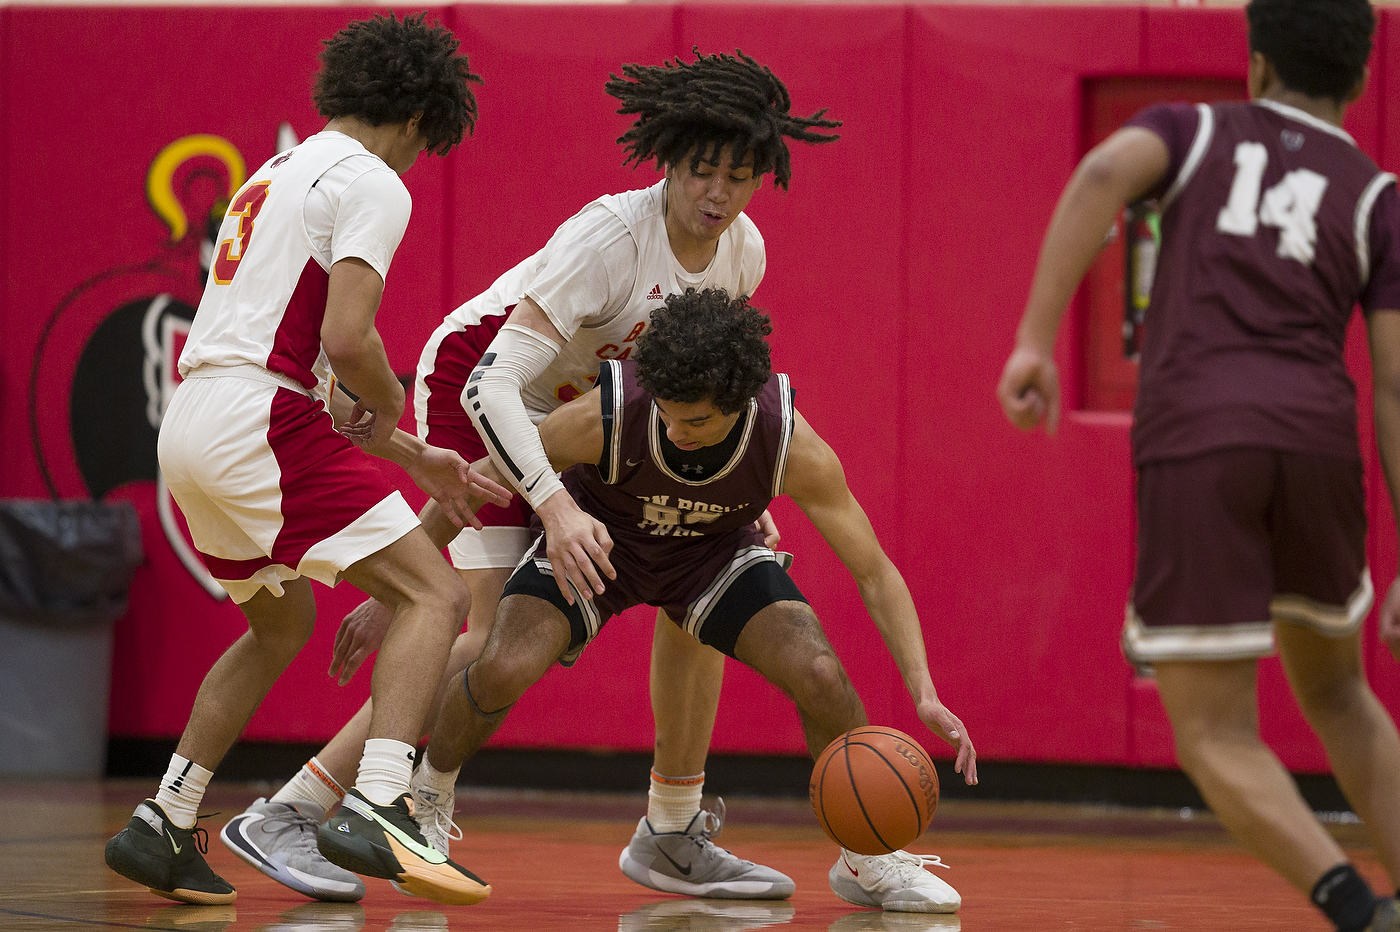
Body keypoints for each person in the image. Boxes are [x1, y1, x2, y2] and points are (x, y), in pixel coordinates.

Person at [235, 49, 847, 903]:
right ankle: (295, 808)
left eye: (739, 176)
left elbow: (695, 386)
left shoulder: (741, 254)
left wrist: (735, 489)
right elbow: (492, 387)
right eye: (702, 171)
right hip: (477, 379)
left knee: (700, 577)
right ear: (668, 162)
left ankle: (671, 830)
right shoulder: (608, 238)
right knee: (487, 637)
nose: (719, 193)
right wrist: (553, 509)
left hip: (574, 418)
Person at [345, 288, 978, 911]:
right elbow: (481, 478)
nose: (676, 430)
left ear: (739, 404)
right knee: (503, 664)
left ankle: (865, 856)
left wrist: (922, 690)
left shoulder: (786, 439)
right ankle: (427, 801)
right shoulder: (612, 413)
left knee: (819, 672)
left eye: (696, 420)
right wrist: (396, 585)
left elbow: (874, 572)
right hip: (600, 544)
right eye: (668, 412)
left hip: (708, 556)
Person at [996, 2, 1400, 930]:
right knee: (1342, 692)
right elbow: (1393, 389)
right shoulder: (1378, 197)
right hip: (1320, 444)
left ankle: (1352, 907)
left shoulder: (1194, 127)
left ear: (1255, 66)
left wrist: (1033, 341)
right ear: (1363, 80)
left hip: (1203, 436)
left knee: (1215, 730)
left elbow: (1102, 171)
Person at [103, 13, 512, 908]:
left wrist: (414, 456)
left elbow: (308, 364)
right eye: (423, 149)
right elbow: (347, 341)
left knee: (279, 625)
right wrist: (397, 398)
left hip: (193, 422)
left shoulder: (274, 172)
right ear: (416, 121)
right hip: (262, 419)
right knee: (436, 597)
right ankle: (378, 805)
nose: (415, 168)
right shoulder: (372, 180)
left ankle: (164, 818)